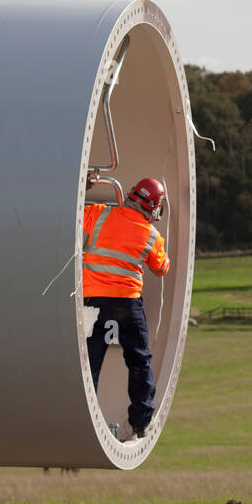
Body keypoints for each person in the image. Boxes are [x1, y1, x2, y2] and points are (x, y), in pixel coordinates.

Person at [82, 176, 170, 440]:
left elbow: (71, 214)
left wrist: (84, 187)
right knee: (138, 359)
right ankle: (141, 421)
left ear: (131, 195)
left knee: (89, 363)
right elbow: (162, 267)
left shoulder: (98, 214)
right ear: (154, 207)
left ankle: (86, 420)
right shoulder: (150, 235)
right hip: (126, 303)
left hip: (91, 303)